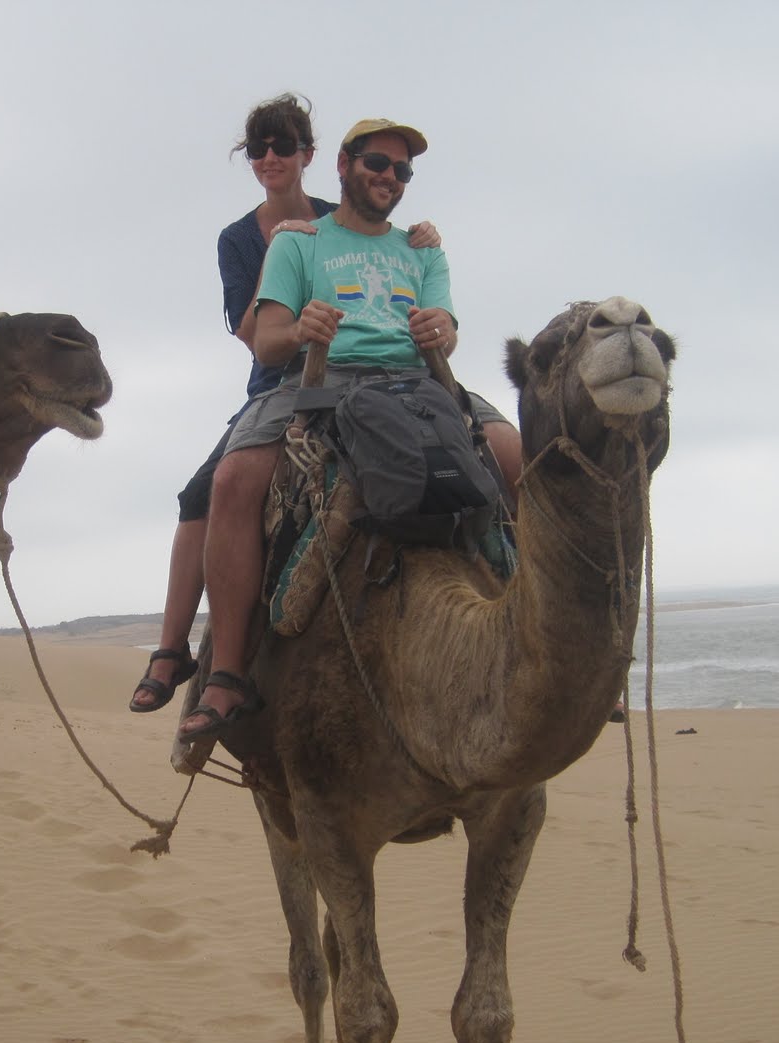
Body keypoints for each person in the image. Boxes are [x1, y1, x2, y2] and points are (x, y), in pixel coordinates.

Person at [177, 117, 524, 742]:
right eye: (377, 163)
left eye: (401, 170)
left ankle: (532, 632)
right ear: (343, 164)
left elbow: (446, 321)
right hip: (319, 379)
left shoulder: (422, 248)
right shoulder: (300, 241)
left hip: (416, 383)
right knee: (232, 480)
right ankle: (226, 671)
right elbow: (268, 343)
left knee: (514, 455)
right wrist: (301, 328)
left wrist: (441, 332)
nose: (389, 176)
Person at [128, 95, 440, 713]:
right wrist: (282, 259)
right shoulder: (241, 239)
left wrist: (421, 237)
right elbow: (253, 334)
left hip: (375, 368)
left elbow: (381, 250)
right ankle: (177, 649)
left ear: (310, 156)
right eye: (259, 149)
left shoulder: (337, 216)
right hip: (280, 378)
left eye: (283, 146)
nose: (270, 158)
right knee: (206, 492)